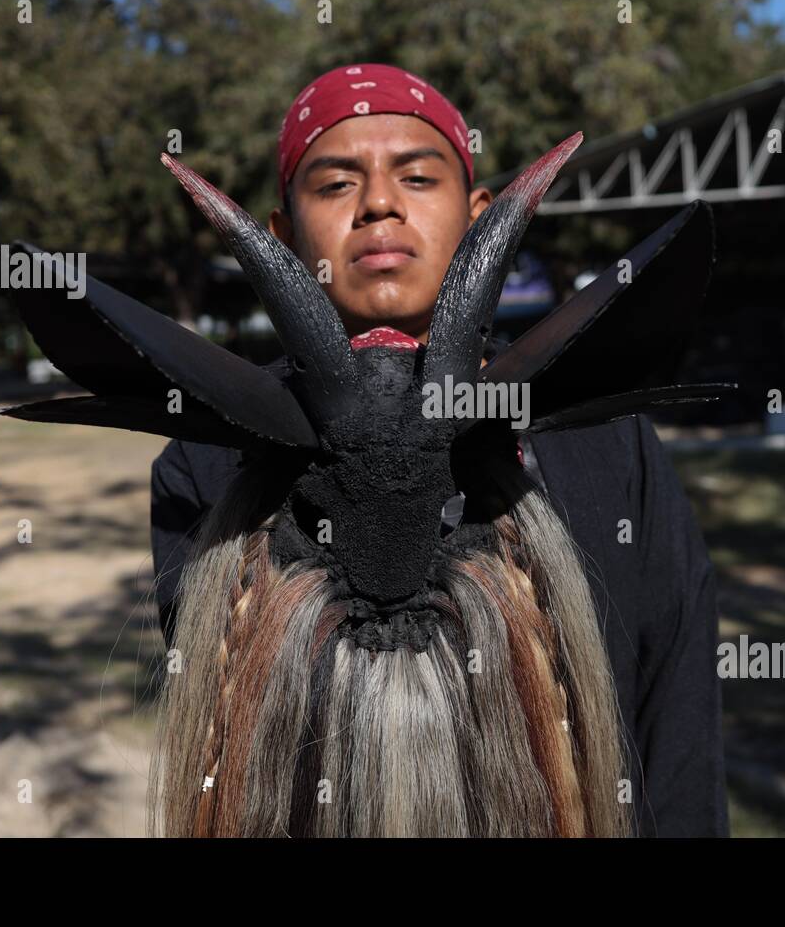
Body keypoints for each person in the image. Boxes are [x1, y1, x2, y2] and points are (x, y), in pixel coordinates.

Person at [148, 63, 729, 837]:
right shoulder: (209, 454)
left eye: (419, 178)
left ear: (479, 213)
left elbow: (677, 699)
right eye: (333, 185)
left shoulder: (602, 435)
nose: (379, 204)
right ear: (282, 236)